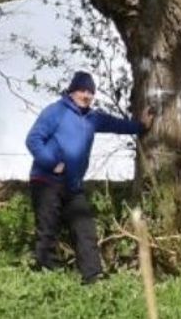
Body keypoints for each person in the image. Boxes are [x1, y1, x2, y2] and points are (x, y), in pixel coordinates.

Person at [24, 70, 154, 282]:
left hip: (73, 185)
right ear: (72, 91)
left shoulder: (92, 118)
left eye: (90, 92)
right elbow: (33, 139)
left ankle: (92, 275)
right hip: (47, 181)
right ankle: (45, 274)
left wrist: (140, 126)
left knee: (85, 229)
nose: (87, 96)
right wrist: (52, 163)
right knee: (47, 227)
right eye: (82, 91)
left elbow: (116, 125)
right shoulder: (55, 111)